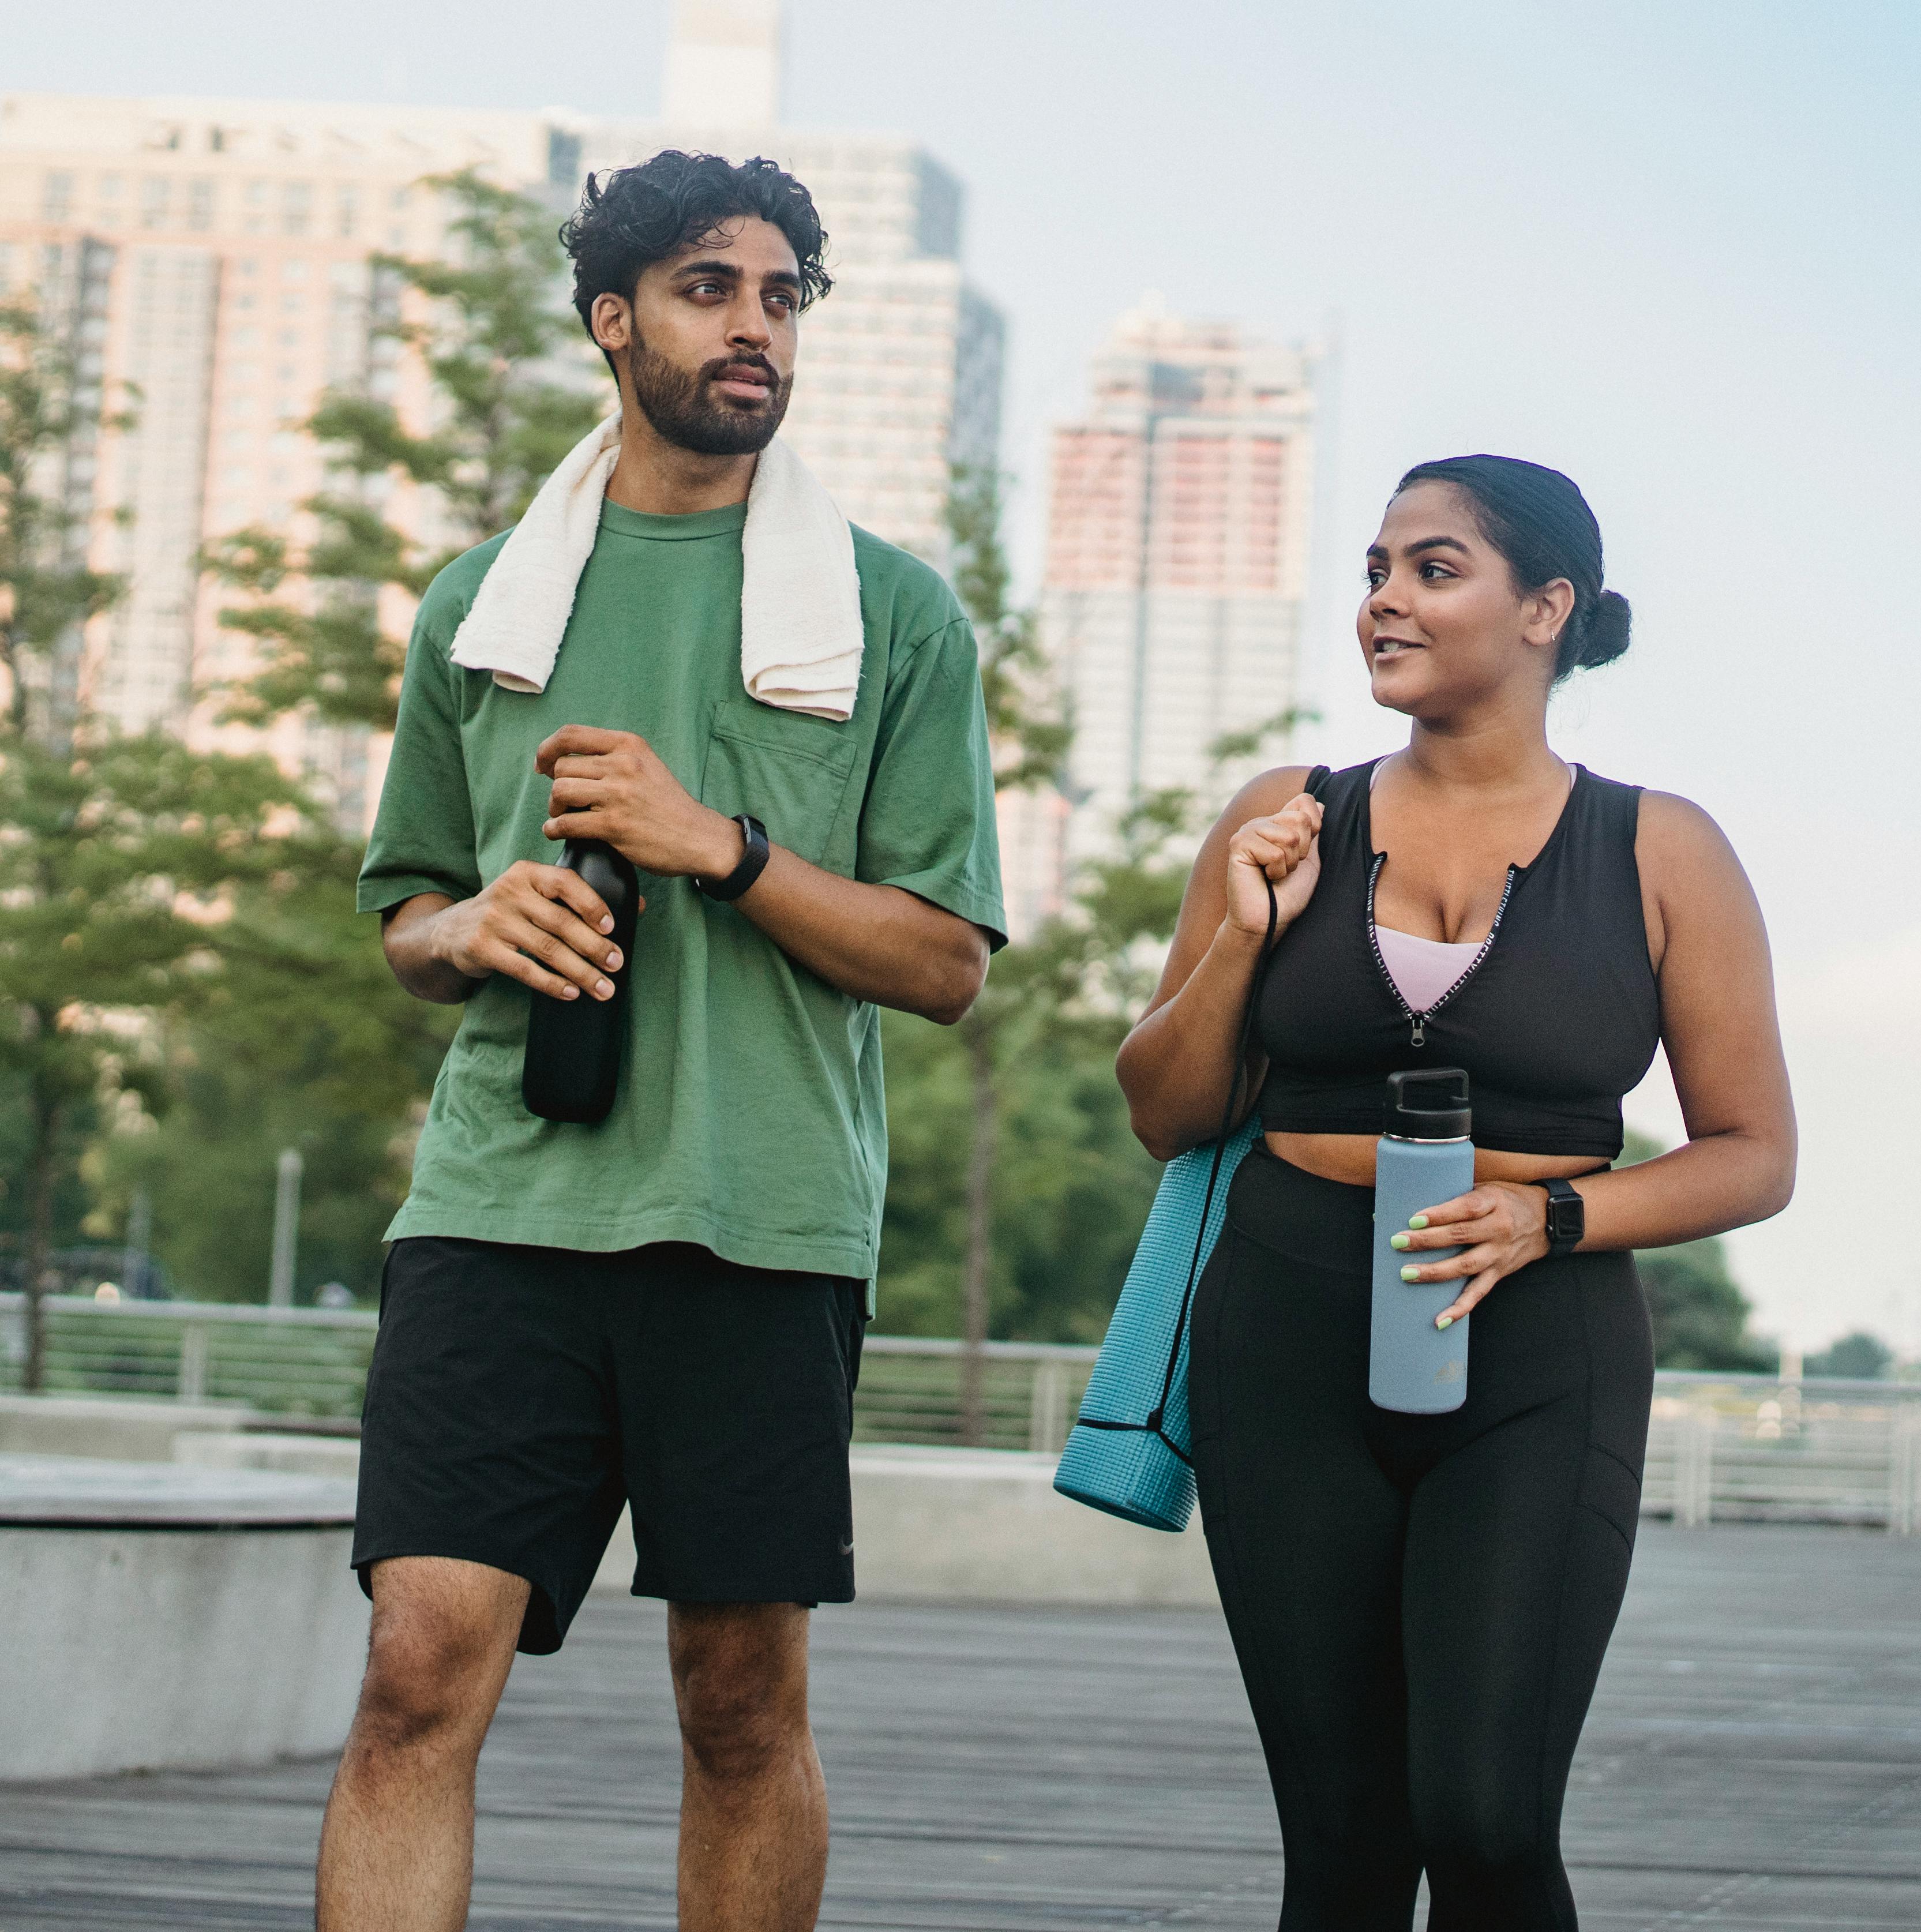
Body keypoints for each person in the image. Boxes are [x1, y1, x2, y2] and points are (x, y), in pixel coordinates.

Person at [321, 151, 1005, 1932]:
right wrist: (466, 925)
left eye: (785, 295)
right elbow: (404, 915)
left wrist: (732, 847)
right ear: (612, 321)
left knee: (738, 1700)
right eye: (712, 288)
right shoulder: (482, 600)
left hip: (758, 1219)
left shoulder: (895, 612)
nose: (757, 327)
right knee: (415, 1673)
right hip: (498, 1210)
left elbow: (944, 962)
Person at [1117, 456, 1796, 1929]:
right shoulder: (1285, 812)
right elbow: (1164, 1110)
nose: (1382, 601)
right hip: (1285, 1327)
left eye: (1432, 569)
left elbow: (1753, 1152)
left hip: (1539, 1347)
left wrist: (1555, 1217)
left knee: (1485, 1820)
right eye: (1374, 570)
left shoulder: (1659, 846)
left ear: (1548, 606)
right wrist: (1247, 935)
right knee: (1345, 1848)